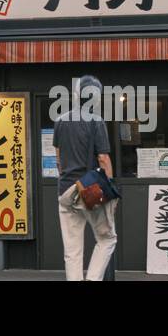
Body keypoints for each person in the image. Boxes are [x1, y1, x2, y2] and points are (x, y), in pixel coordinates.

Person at [54, 75, 117, 281]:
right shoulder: (96, 121)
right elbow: (103, 159)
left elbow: (59, 161)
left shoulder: (60, 121)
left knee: (72, 250)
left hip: (65, 191)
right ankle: (92, 279)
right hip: (89, 190)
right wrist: (110, 190)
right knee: (107, 239)